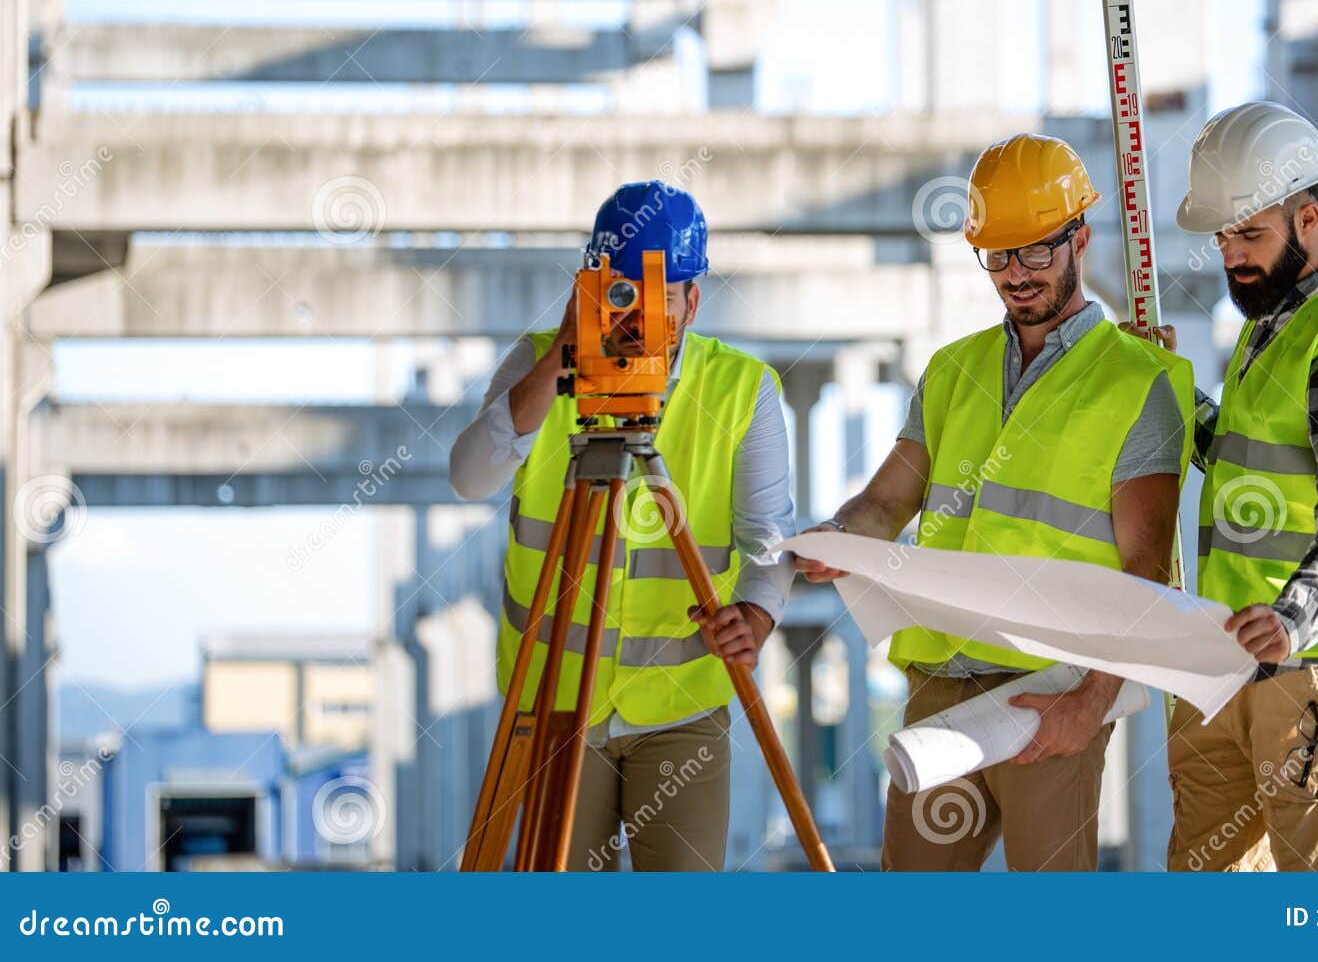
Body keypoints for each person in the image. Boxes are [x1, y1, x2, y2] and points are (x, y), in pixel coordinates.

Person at [796, 133, 1194, 871]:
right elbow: (886, 503)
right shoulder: (953, 370)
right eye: (998, 255)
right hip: (940, 687)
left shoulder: (1140, 379)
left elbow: (1148, 564)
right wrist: (834, 537)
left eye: (1036, 251)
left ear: (1081, 236)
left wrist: (1092, 701)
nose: (1016, 274)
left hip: (1049, 693)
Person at [449, 180, 795, 871]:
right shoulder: (540, 362)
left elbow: (769, 537)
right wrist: (560, 363)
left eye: (654, 288)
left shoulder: (741, 389)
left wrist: (756, 612)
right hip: (553, 701)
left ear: (692, 298)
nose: (633, 309)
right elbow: (469, 477)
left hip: (681, 709)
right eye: (618, 286)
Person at [1159, 101, 1318, 871]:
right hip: (1233, 660)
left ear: (1307, 219)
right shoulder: (1265, 325)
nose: (1232, 254)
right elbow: (1242, 459)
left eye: (1251, 234)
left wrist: (1290, 616)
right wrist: (1169, 386)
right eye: (1223, 237)